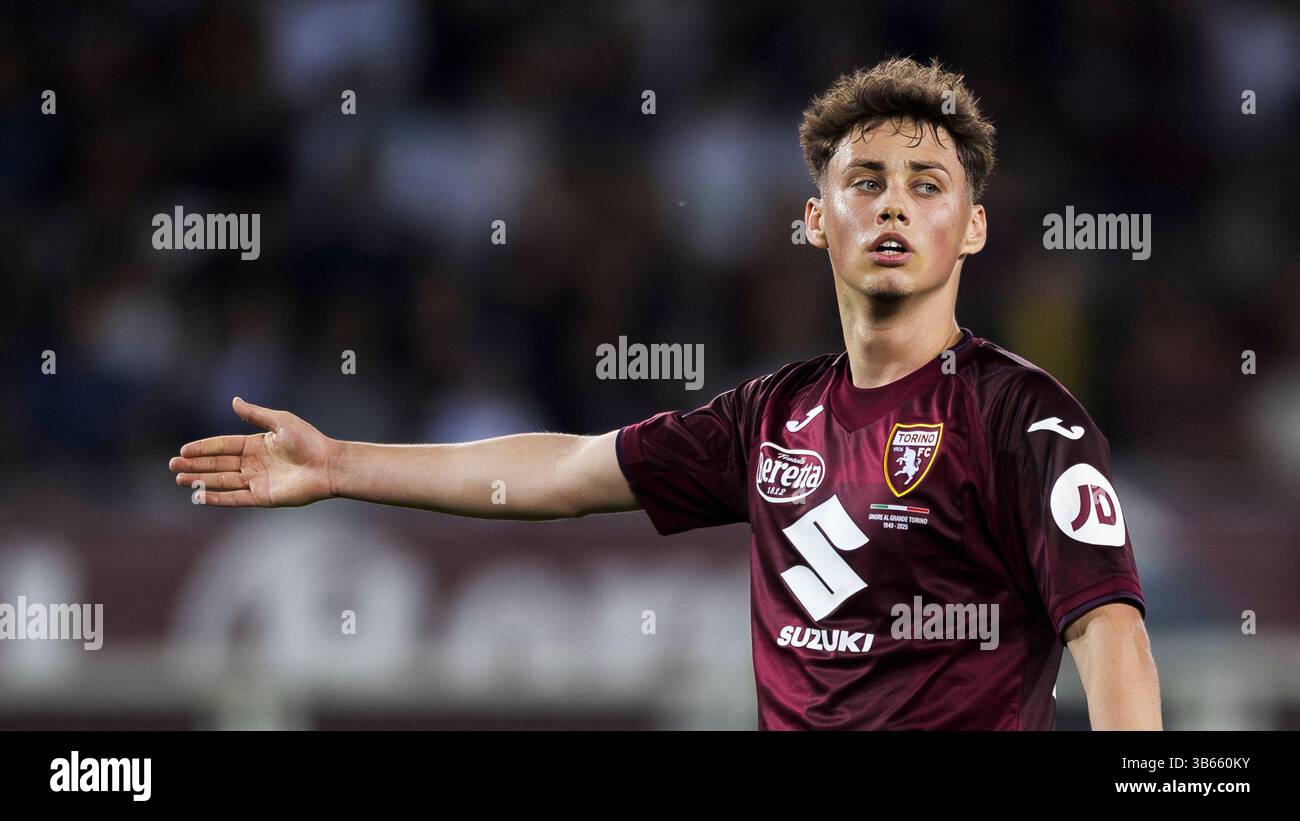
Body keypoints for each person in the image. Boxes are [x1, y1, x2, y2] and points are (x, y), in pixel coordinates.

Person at [169, 57, 1160, 730]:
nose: (893, 200)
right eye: (864, 180)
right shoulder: (769, 415)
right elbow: (563, 469)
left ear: (973, 229)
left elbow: (1106, 626)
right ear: (815, 220)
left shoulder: (1022, 415)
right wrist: (342, 462)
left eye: (925, 181)